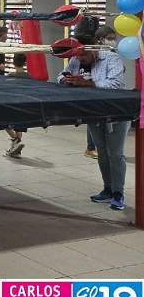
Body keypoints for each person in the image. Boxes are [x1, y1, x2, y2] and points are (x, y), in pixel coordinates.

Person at [58, 33, 129, 211]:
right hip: (94, 113)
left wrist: (89, 83)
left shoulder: (112, 58)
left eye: (84, 55)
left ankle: (118, 193)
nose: (80, 59)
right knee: (102, 153)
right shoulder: (76, 58)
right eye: (78, 54)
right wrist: (66, 79)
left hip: (116, 113)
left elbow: (116, 84)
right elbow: (61, 75)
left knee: (115, 154)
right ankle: (107, 188)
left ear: (95, 49)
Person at [84, 25, 120, 158]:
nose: (112, 41)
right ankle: (90, 147)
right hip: (96, 91)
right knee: (93, 119)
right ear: (99, 40)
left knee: (102, 121)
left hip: (108, 91)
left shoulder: (112, 53)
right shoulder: (93, 54)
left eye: (114, 38)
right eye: (109, 38)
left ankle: (101, 148)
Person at [4, 53, 30, 157]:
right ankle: (16, 149)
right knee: (19, 127)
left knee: (5, 123)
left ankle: (16, 141)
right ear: (25, 62)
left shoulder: (10, 77)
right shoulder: (29, 77)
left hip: (13, 104)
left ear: (13, 62)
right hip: (24, 105)